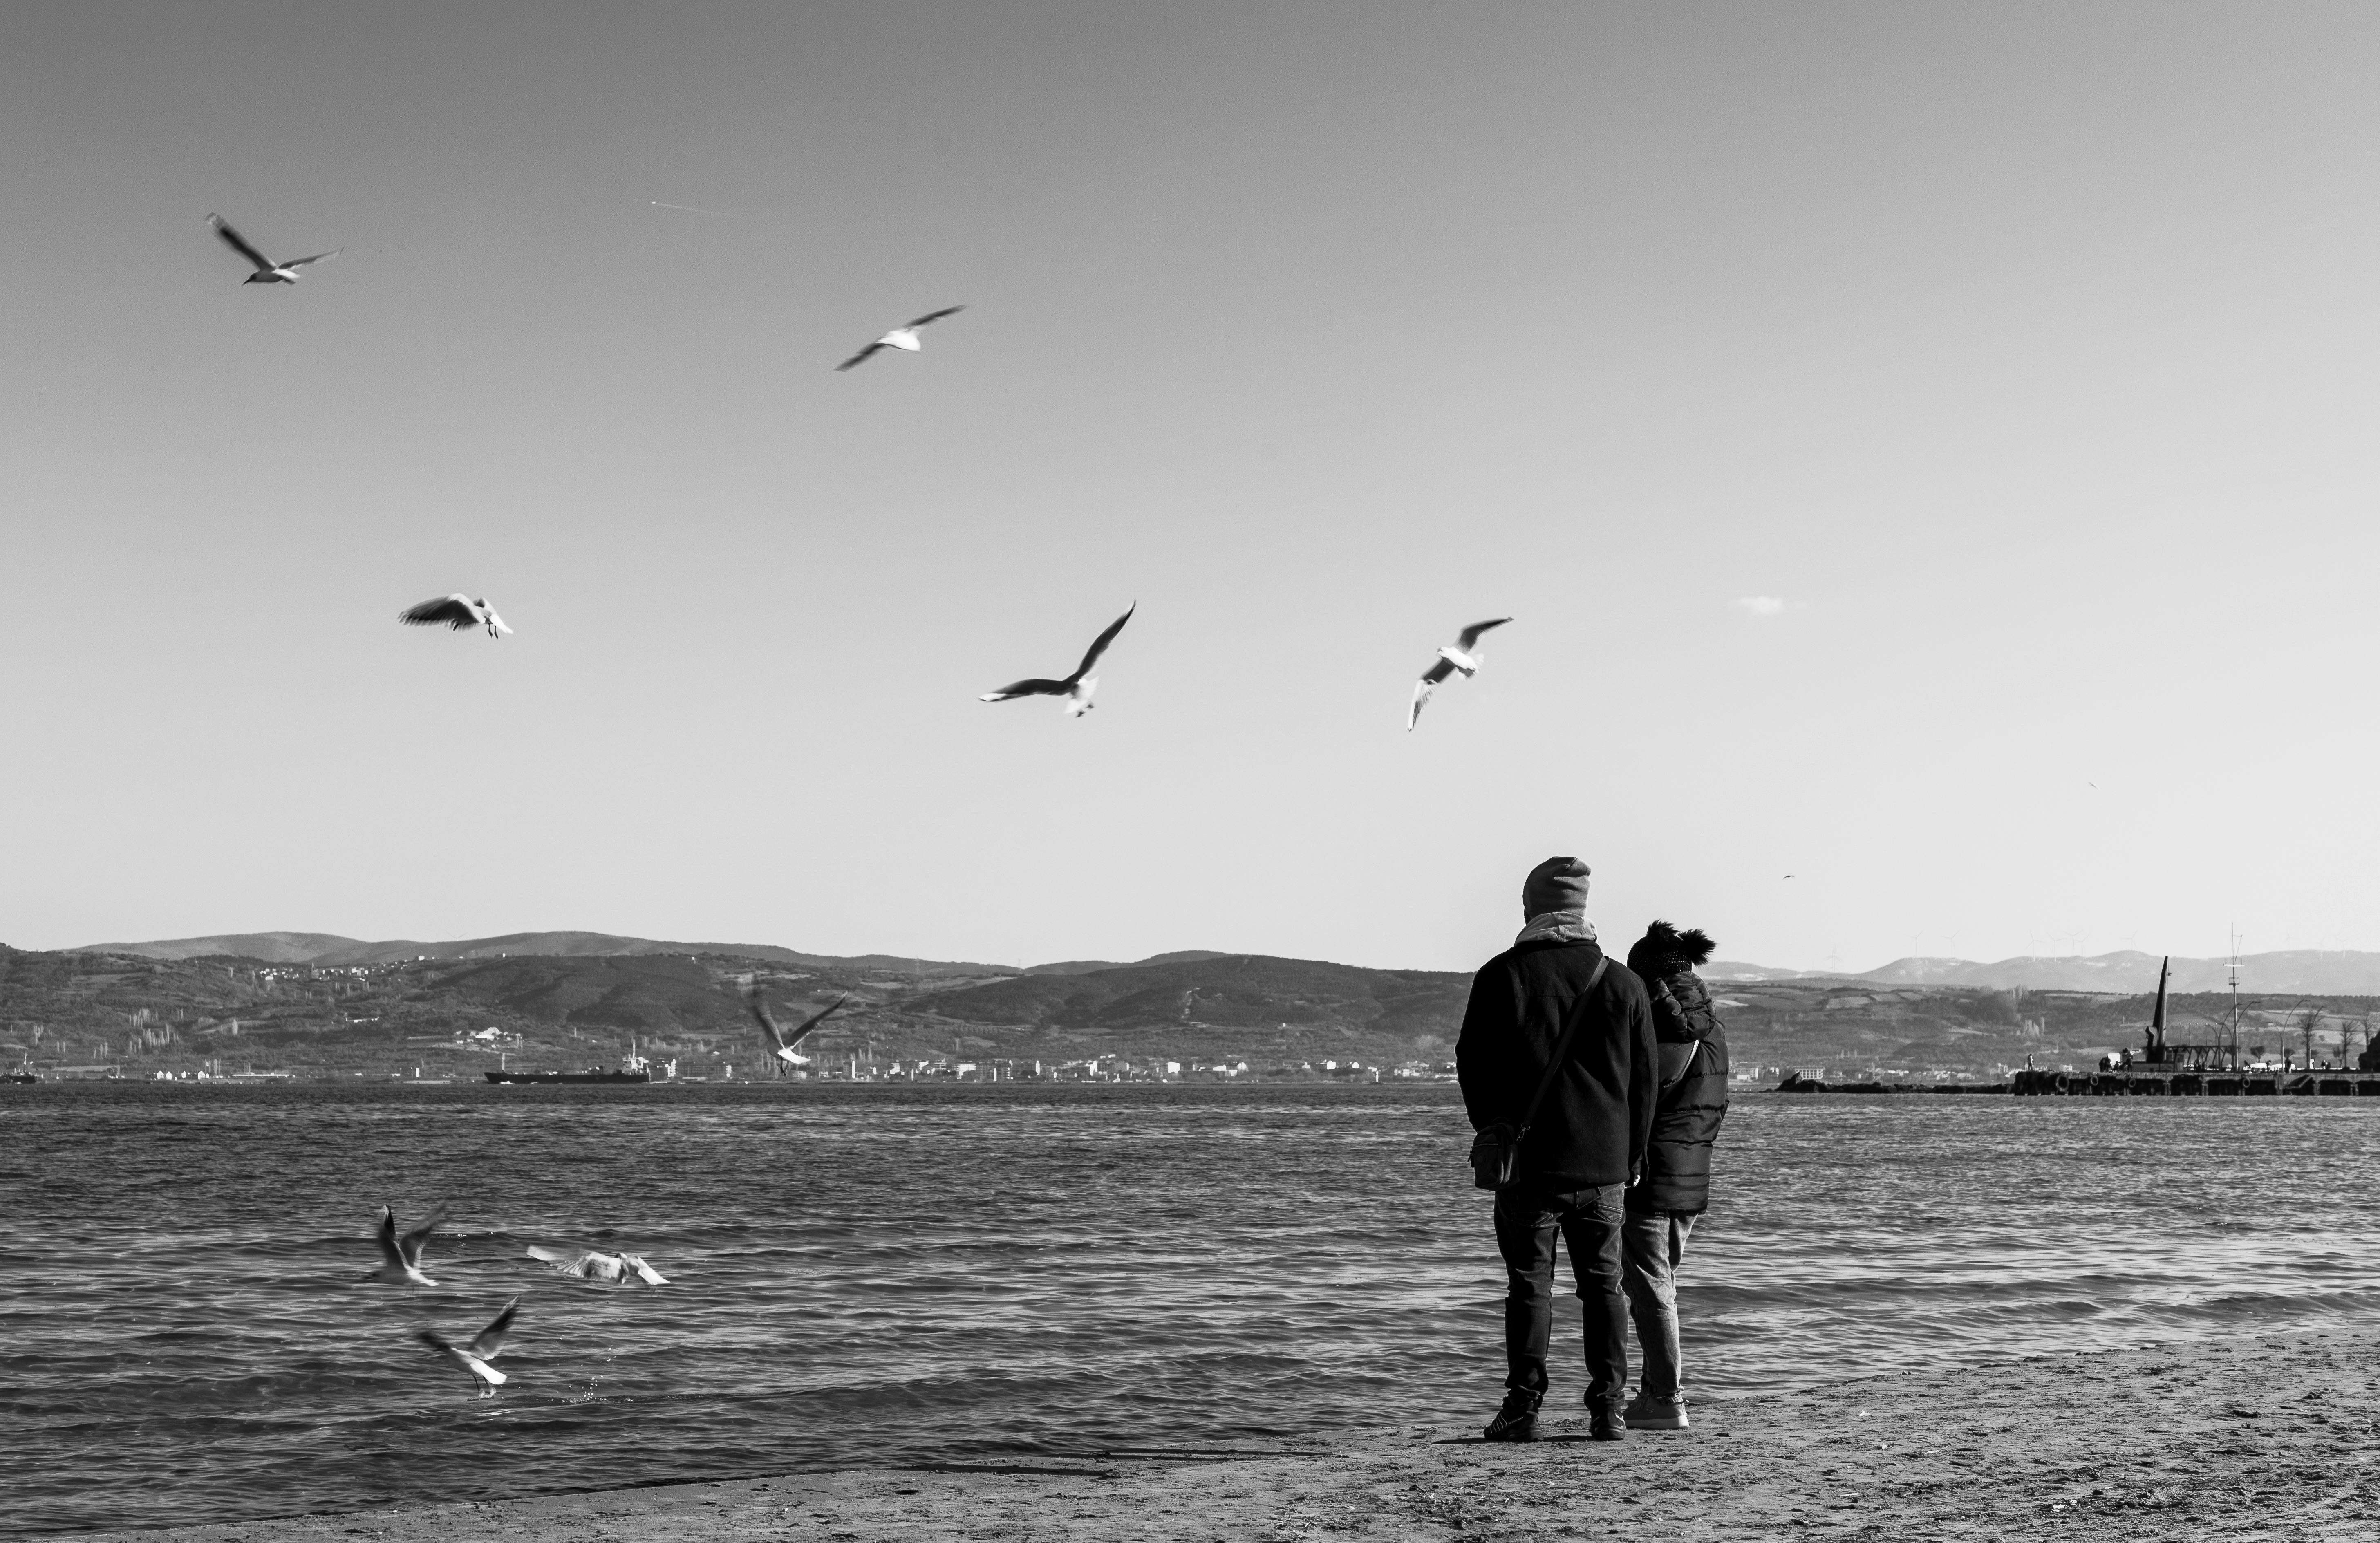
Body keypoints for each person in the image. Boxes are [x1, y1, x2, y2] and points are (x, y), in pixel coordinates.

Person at [1457, 855, 1657, 1442]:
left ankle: (1522, 1407)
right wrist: (1633, 1149)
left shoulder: (1500, 976)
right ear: (1581, 909)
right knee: (1604, 1287)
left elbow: (1472, 1065)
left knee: (1528, 1287)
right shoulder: (1622, 982)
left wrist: (1494, 1126)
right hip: (1604, 1165)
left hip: (1528, 1165)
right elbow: (1644, 1082)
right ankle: (1608, 1407)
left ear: (1529, 907)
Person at [1619, 919, 1731, 1432]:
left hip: (1655, 1173)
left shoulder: (1667, 1023)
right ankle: (1656, 1393)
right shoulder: (1710, 1024)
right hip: (1692, 1174)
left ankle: (1666, 1397)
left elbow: (1641, 1099)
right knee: (1661, 1283)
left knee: (1649, 1286)